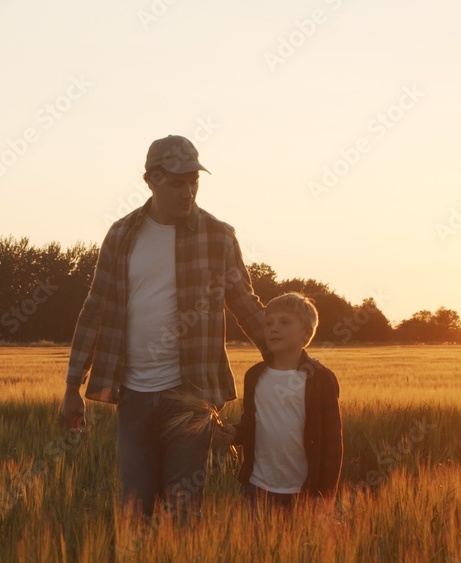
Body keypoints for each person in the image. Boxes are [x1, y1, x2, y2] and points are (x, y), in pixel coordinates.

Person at [58, 134, 269, 517]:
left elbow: (245, 303)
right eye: (177, 182)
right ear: (151, 180)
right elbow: (95, 308)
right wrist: (73, 385)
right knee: (136, 505)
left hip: (191, 394)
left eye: (194, 182)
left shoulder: (218, 235)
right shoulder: (121, 235)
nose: (188, 192)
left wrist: (289, 356)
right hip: (133, 393)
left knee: (184, 508)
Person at [216, 292, 343, 510]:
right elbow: (252, 422)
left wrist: (324, 494)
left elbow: (332, 442)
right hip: (257, 487)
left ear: (305, 334)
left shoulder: (321, 378)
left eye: (284, 322)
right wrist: (236, 433)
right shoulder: (254, 376)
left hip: (303, 491)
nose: (273, 328)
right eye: (268, 323)